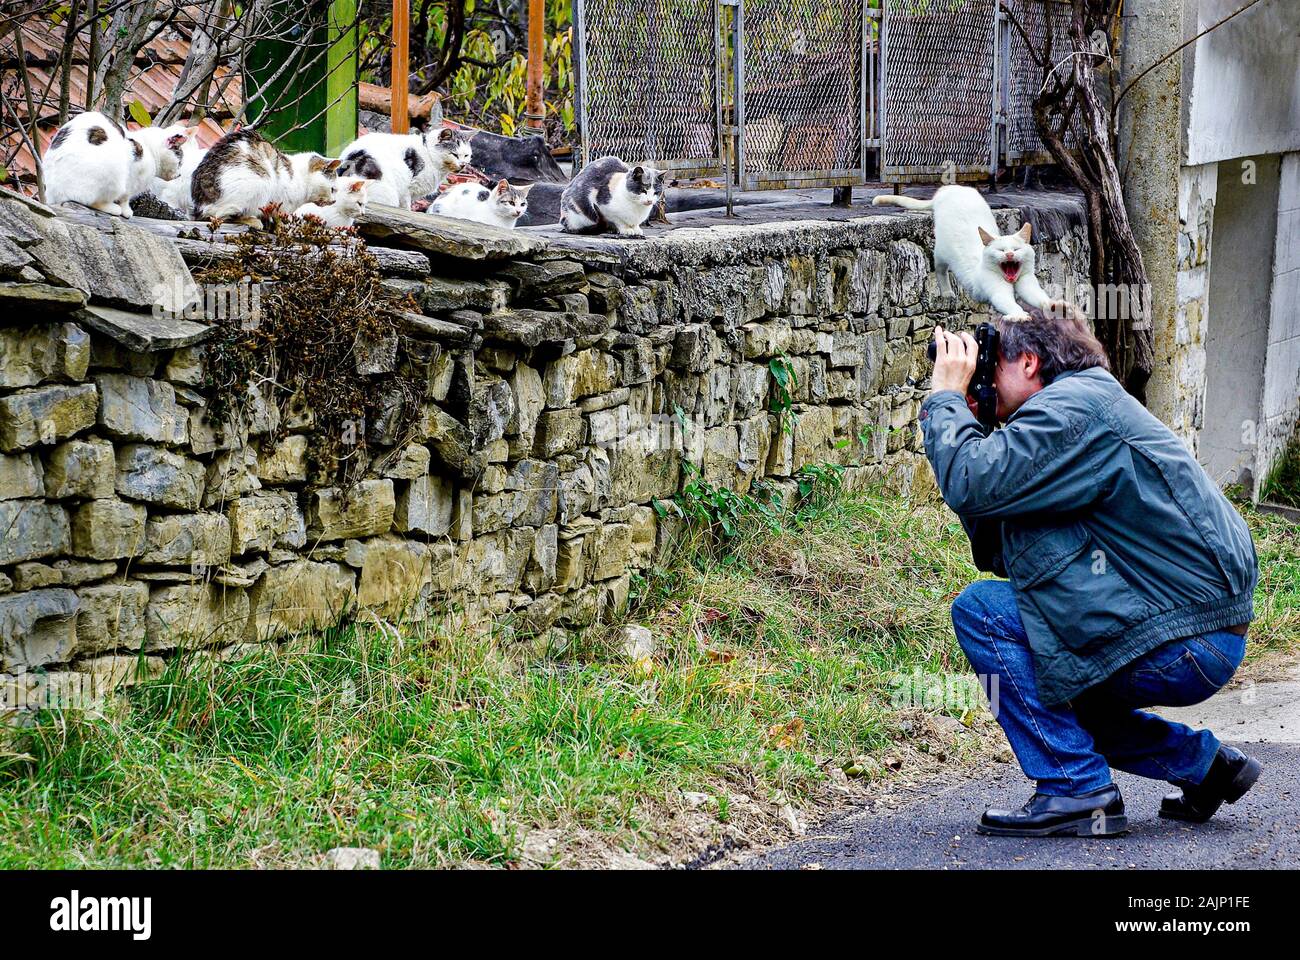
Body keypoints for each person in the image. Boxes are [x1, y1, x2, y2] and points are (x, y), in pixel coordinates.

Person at [920, 306, 1260, 837]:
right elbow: (999, 545)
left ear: (1029, 362)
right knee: (1057, 689)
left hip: (1185, 639)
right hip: (1197, 633)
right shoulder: (1080, 409)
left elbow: (968, 481)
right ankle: (1205, 766)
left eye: (991, 370)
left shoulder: (1069, 410)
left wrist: (944, 399)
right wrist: (978, 423)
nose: (982, 382)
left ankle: (1076, 788)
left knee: (981, 613)